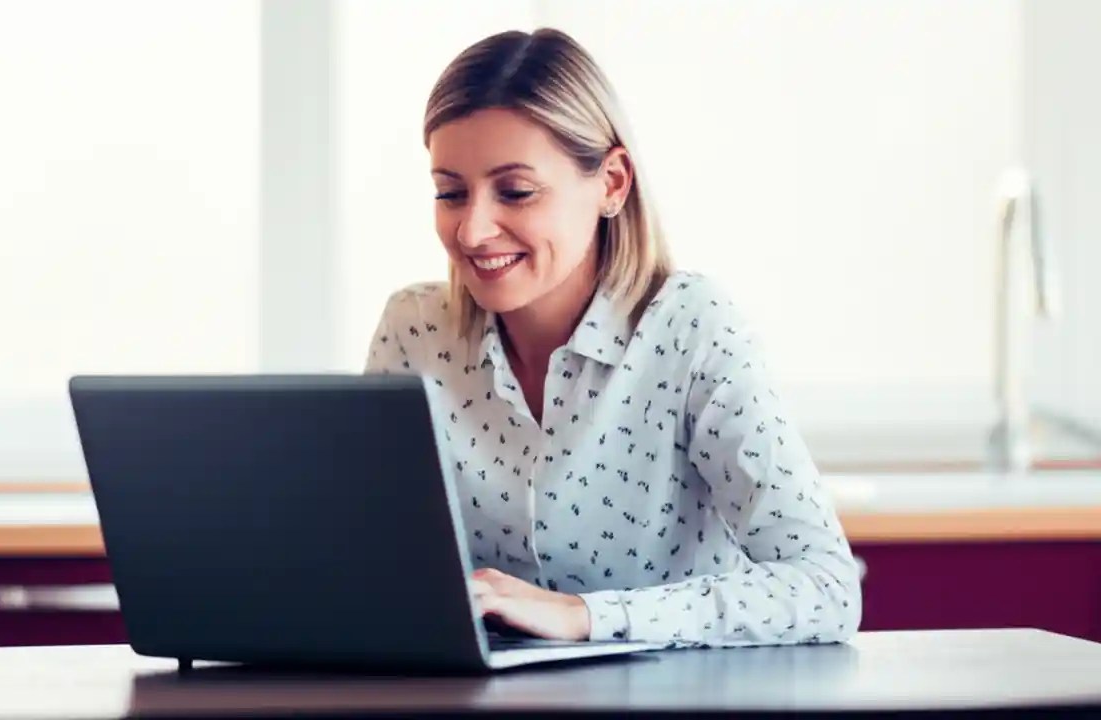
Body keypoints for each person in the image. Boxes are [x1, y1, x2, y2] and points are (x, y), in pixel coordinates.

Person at [365, 27, 861, 647]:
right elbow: (372, 564)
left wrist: (585, 616)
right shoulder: (415, 332)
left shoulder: (690, 327)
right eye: (450, 193)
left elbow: (824, 587)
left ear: (612, 183)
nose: (472, 230)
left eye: (515, 192)